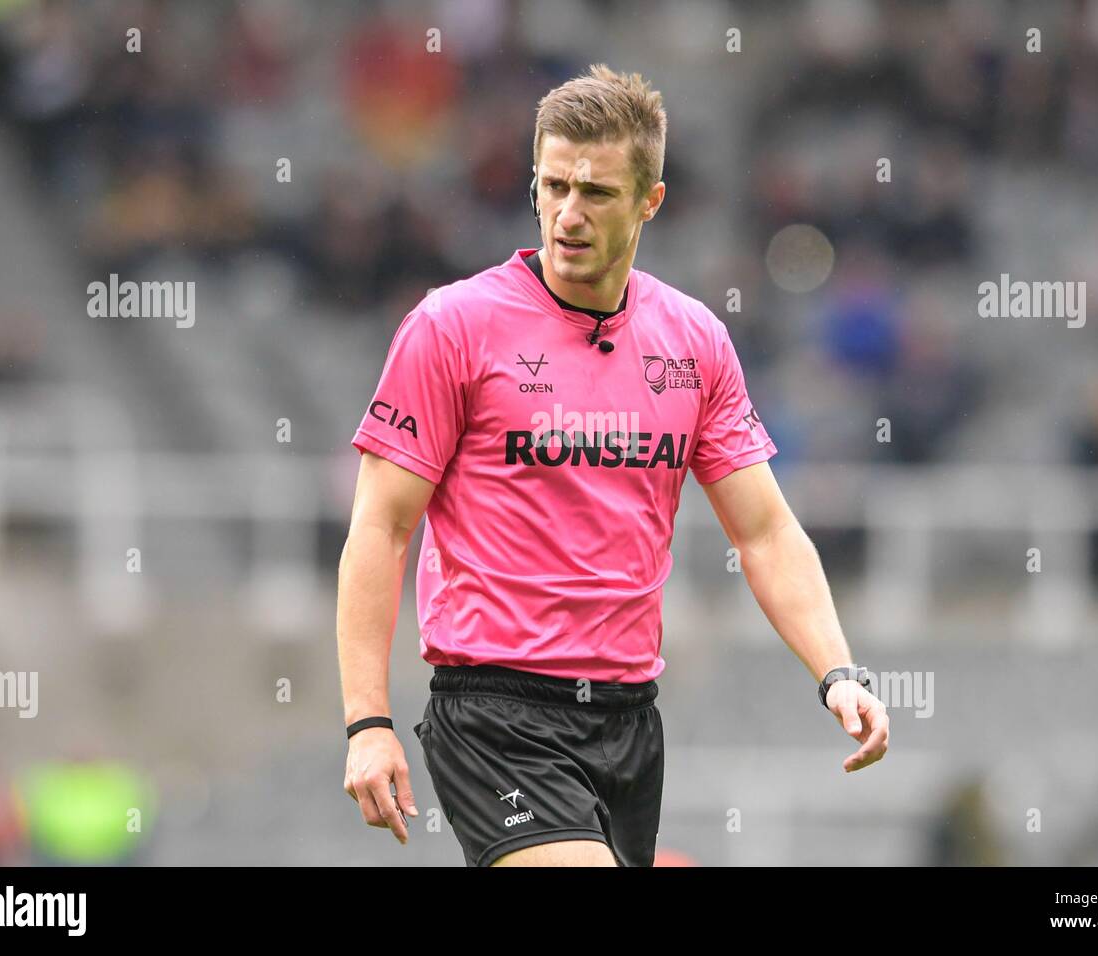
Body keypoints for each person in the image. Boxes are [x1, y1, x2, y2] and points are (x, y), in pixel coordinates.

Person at [337, 64, 888, 868]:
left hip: (631, 721)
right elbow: (381, 529)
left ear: (649, 202)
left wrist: (837, 672)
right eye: (553, 186)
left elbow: (765, 533)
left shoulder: (695, 341)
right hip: (496, 716)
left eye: (595, 193)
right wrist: (368, 722)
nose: (567, 214)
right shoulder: (452, 327)